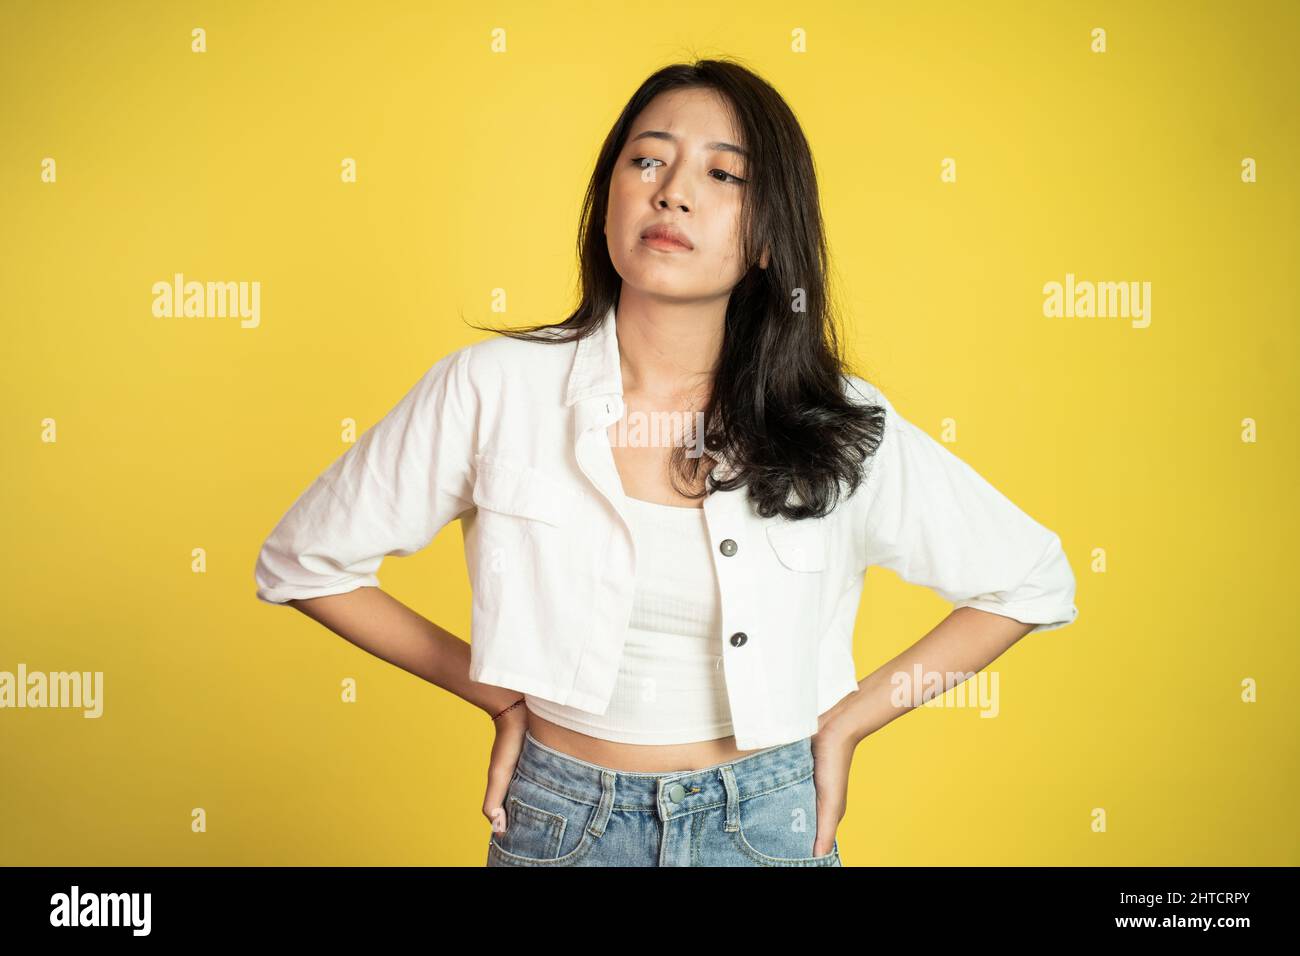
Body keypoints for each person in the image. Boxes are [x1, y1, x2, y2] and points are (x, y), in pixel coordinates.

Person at [253, 58, 1079, 867]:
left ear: (768, 236)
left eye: (724, 176)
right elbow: (304, 562)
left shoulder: (836, 420)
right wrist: (499, 696)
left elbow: (1031, 577)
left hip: (768, 825)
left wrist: (848, 721)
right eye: (647, 159)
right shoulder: (495, 387)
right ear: (608, 200)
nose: (672, 190)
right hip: (562, 822)